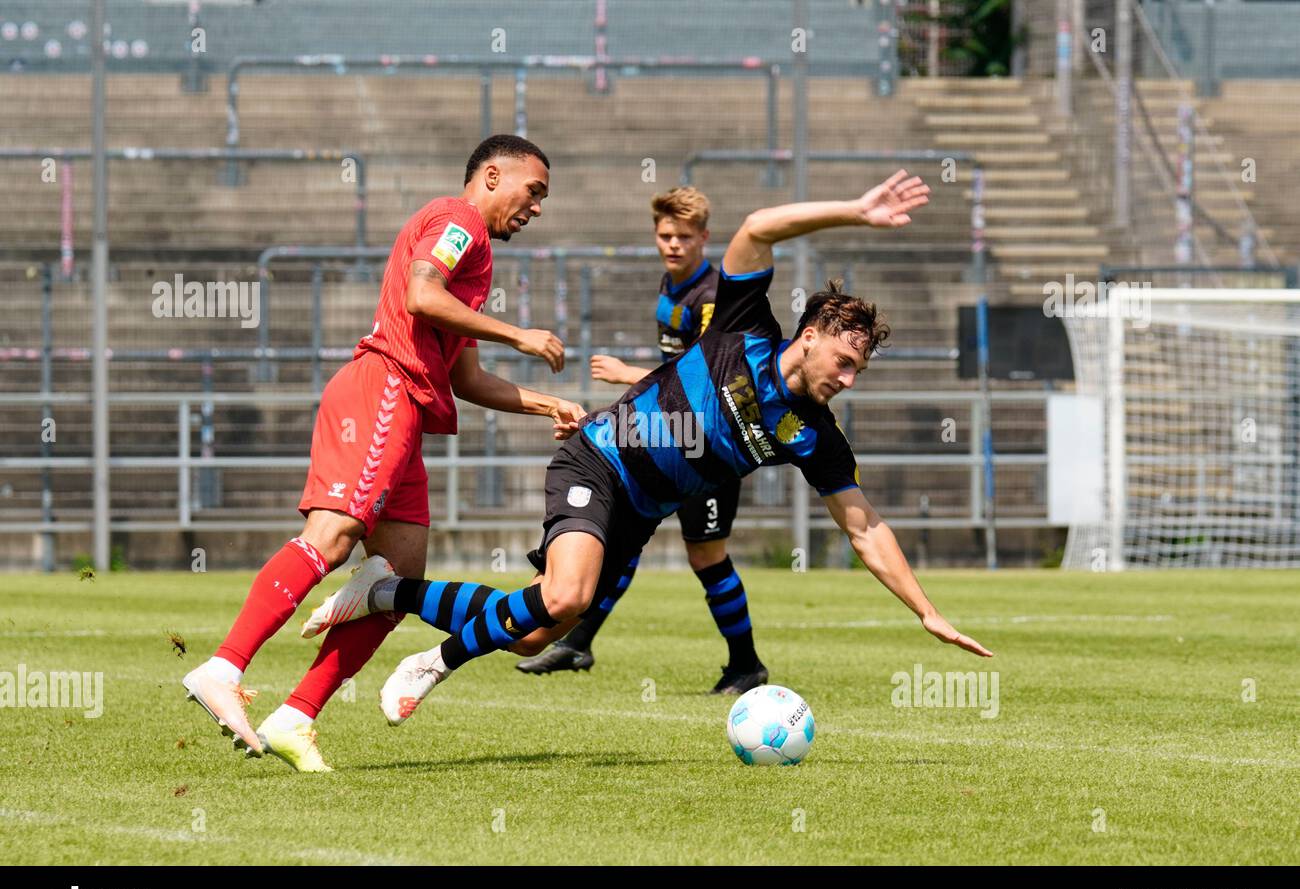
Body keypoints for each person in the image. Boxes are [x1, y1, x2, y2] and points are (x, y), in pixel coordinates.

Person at [304, 169, 992, 731]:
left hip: (641, 512)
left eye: (856, 374)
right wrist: (856, 211)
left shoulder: (814, 435)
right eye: (843, 362)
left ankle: (389, 590)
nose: (846, 381)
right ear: (808, 335)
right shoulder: (747, 326)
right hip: (600, 459)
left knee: (536, 631)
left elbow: (864, 528)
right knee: (567, 597)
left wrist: (925, 610)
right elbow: (756, 228)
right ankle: (435, 662)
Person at [181, 135, 585, 771]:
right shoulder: (460, 224)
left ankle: (295, 717)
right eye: (532, 191)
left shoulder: (475, 261)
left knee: (391, 583)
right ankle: (223, 667)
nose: (537, 207)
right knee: (334, 536)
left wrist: (547, 404)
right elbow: (421, 295)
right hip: (384, 389)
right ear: (490, 175)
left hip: (410, 409)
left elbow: (468, 379)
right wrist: (521, 334)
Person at [516, 186, 765, 693]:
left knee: (706, 555)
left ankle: (746, 664)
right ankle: (577, 642)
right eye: (665, 235)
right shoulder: (670, 285)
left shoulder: (712, 297)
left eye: (684, 237)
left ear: (705, 238)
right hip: (667, 438)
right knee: (624, 541)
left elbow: (707, 380)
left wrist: (627, 373)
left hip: (707, 445)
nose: (673, 245)